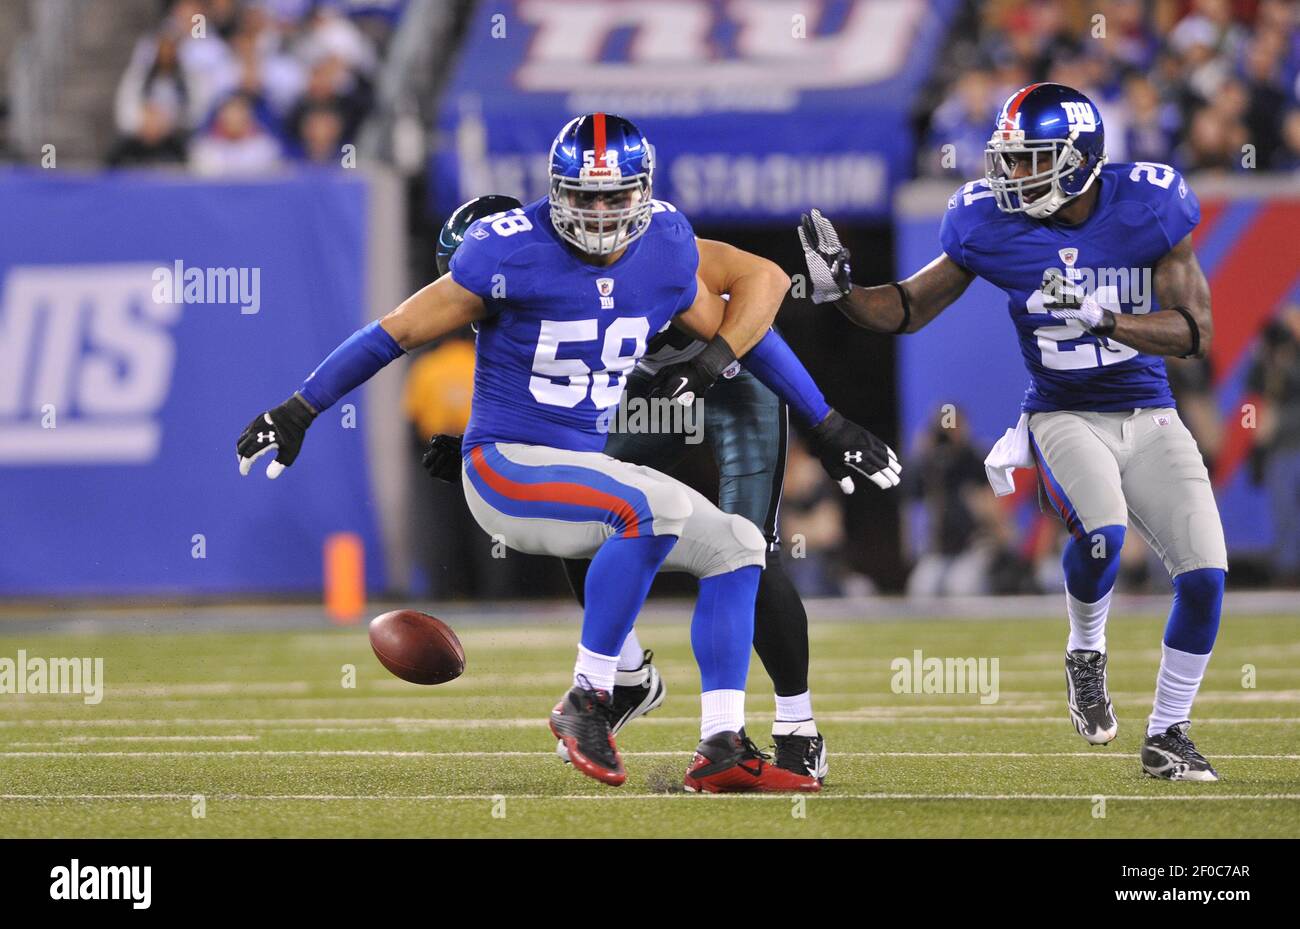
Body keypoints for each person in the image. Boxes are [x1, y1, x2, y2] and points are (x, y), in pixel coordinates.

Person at [237, 113, 898, 793]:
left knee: (736, 543)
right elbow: (394, 331)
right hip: (508, 464)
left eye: (616, 196)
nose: (602, 212)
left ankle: (722, 742)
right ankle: (590, 696)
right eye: (585, 196)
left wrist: (825, 419)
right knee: (648, 507)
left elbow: (754, 308)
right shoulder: (509, 249)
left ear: (643, 192)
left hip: (588, 463)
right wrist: (299, 407)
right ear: (556, 191)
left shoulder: (665, 246)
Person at [799, 83, 1228, 782]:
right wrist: (843, 292)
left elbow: (1196, 334)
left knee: (1206, 575)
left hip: (1149, 410)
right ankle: (1085, 651)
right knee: (1104, 533)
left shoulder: (1150, 204)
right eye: (1011, 159)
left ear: (1080, 159)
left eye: (1032, 160)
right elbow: (909, 307)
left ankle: (1168, 733)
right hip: (1062, 411)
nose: (1014, 175)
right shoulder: (986, 222)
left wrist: (1107, 319)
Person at [424, 200, 868, 783]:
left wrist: (823, 419)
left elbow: (760, 289)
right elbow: (549, 431)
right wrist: (485, 452)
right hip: (645, 393)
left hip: (733, 377)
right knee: (587, 513)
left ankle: (796, 725)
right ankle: (628, 674)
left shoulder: (628, 249)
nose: (473, 300)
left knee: (748, 546)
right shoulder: (523, 297)